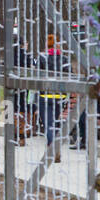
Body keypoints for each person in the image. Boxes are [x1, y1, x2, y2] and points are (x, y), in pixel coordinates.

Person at [38, 33, 69, 162]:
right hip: (59, 96)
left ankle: (53, 149)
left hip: (45, 94)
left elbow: (35, 71)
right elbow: (69, 74)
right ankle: (54, 147)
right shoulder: (64, 59)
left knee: (48, 124)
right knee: (55, 122)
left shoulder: (42, 57)